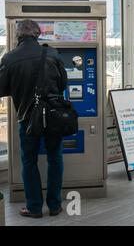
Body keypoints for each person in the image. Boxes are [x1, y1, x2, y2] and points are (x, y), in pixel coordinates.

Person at [0, 19, 67, 218]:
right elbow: (63, 85)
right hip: (54, 117)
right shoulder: (52, 54)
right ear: (37, 34)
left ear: (18, 36)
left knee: (29, 161)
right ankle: (55, 205)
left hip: (27, 118)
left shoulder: (9, 58)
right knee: (55, 158)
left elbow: (1, 89)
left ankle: (34, 207)